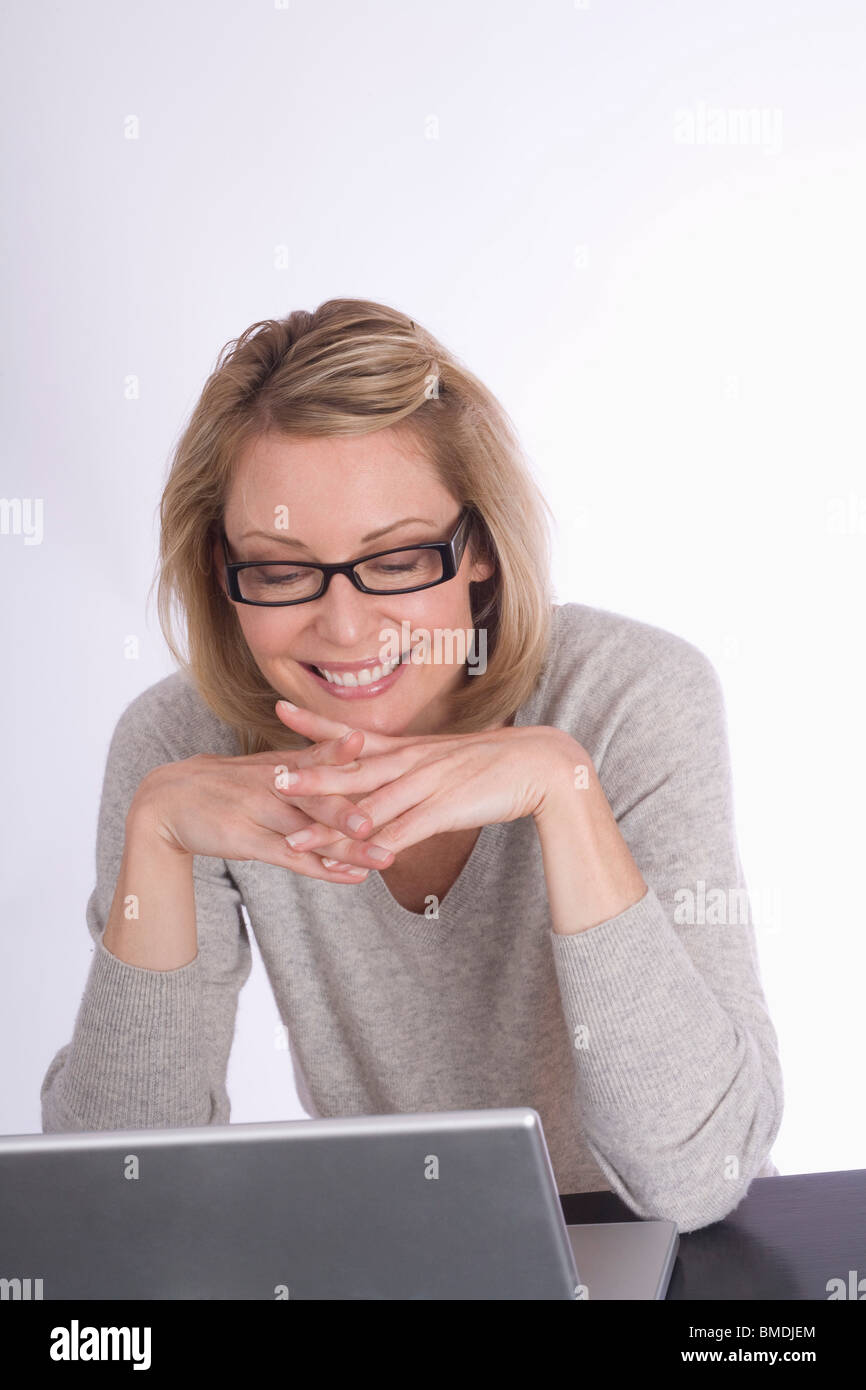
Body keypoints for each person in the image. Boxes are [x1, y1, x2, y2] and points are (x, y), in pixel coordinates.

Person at [41, 298, 783, 1232]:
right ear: (221, 571)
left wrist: (565, 790)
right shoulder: (177, 752)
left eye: (394, 559)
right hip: (406, 1255)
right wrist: (155, 836)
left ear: (477, 550)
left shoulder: (632, 695)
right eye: (279, 569)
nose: (345, 628)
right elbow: (116, 1204)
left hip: (655, 1251)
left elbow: (696, 1177)